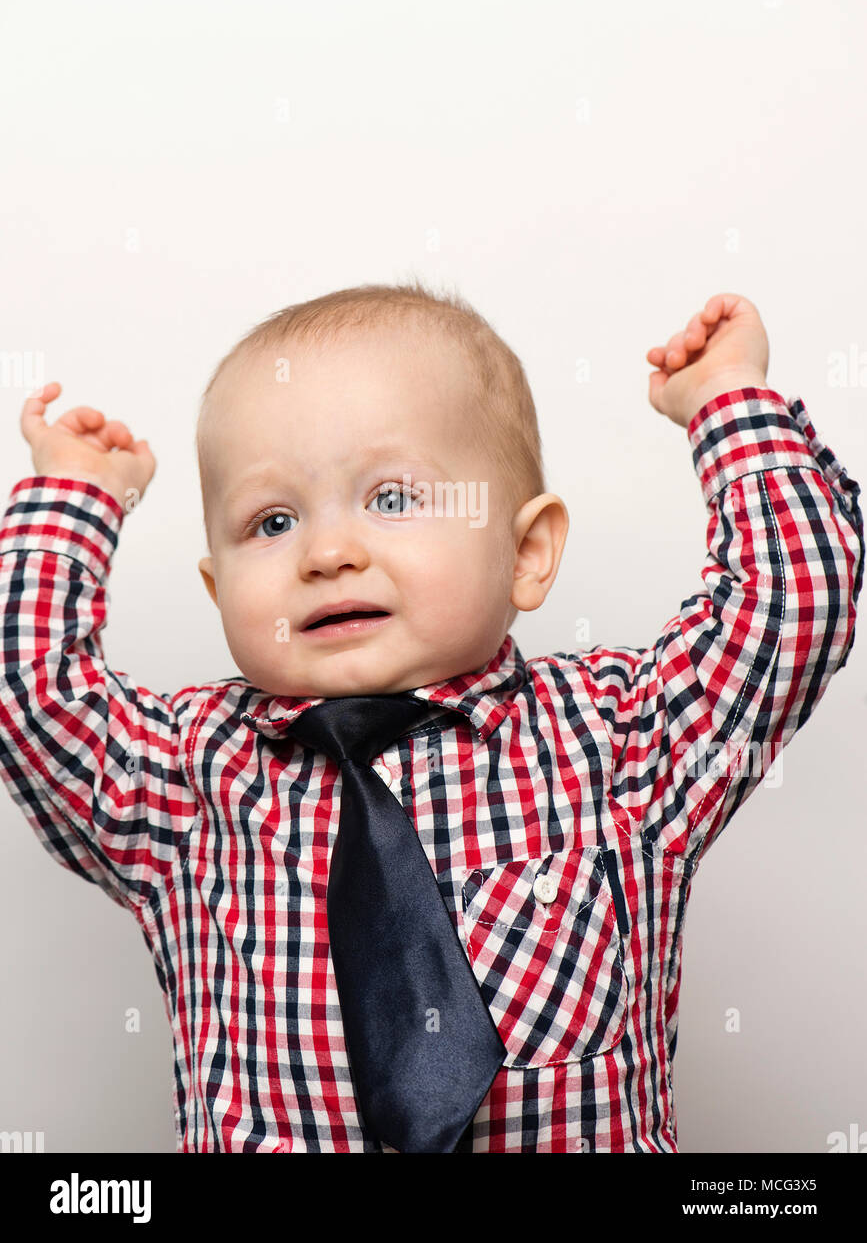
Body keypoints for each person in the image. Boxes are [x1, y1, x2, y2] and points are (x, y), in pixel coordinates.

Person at [0, 283, 862, 1151]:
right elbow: (27, 689)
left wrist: (725, 400)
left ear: (525, 554)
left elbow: (791, 604)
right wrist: (74, 500)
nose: (328, 553)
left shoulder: (618, 740)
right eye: (271, 520)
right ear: (219, 591)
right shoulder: (183, 779)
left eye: (393, 499)